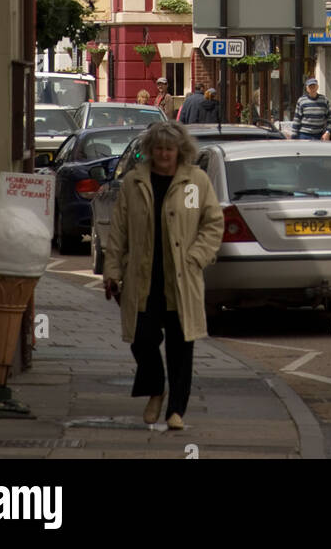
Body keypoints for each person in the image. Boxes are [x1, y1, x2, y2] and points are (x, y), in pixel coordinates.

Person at [103, 121, 224, 430]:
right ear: (150, 150)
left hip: (182, 276)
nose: (163, 154)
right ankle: (156, 388)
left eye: (169, 149)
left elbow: (212, 223)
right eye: (158, 148)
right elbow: (118, 231)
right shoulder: (134, 182)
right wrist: (112, 271)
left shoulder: (195, 182)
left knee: (181, 345)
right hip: (143, 276)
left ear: (180, 150)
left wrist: (197, 257)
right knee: (141, 338)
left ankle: (176, 411)